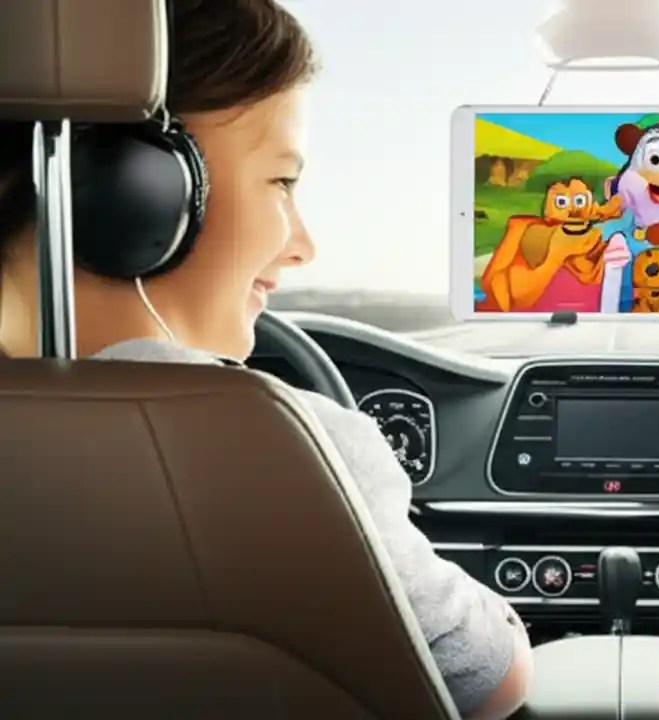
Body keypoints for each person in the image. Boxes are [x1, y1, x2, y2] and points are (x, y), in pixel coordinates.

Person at [0, 2, 530, 718]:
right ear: (141, 190)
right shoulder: (303, 449)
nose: (304, 245)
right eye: (282, 183)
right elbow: (486, 683)